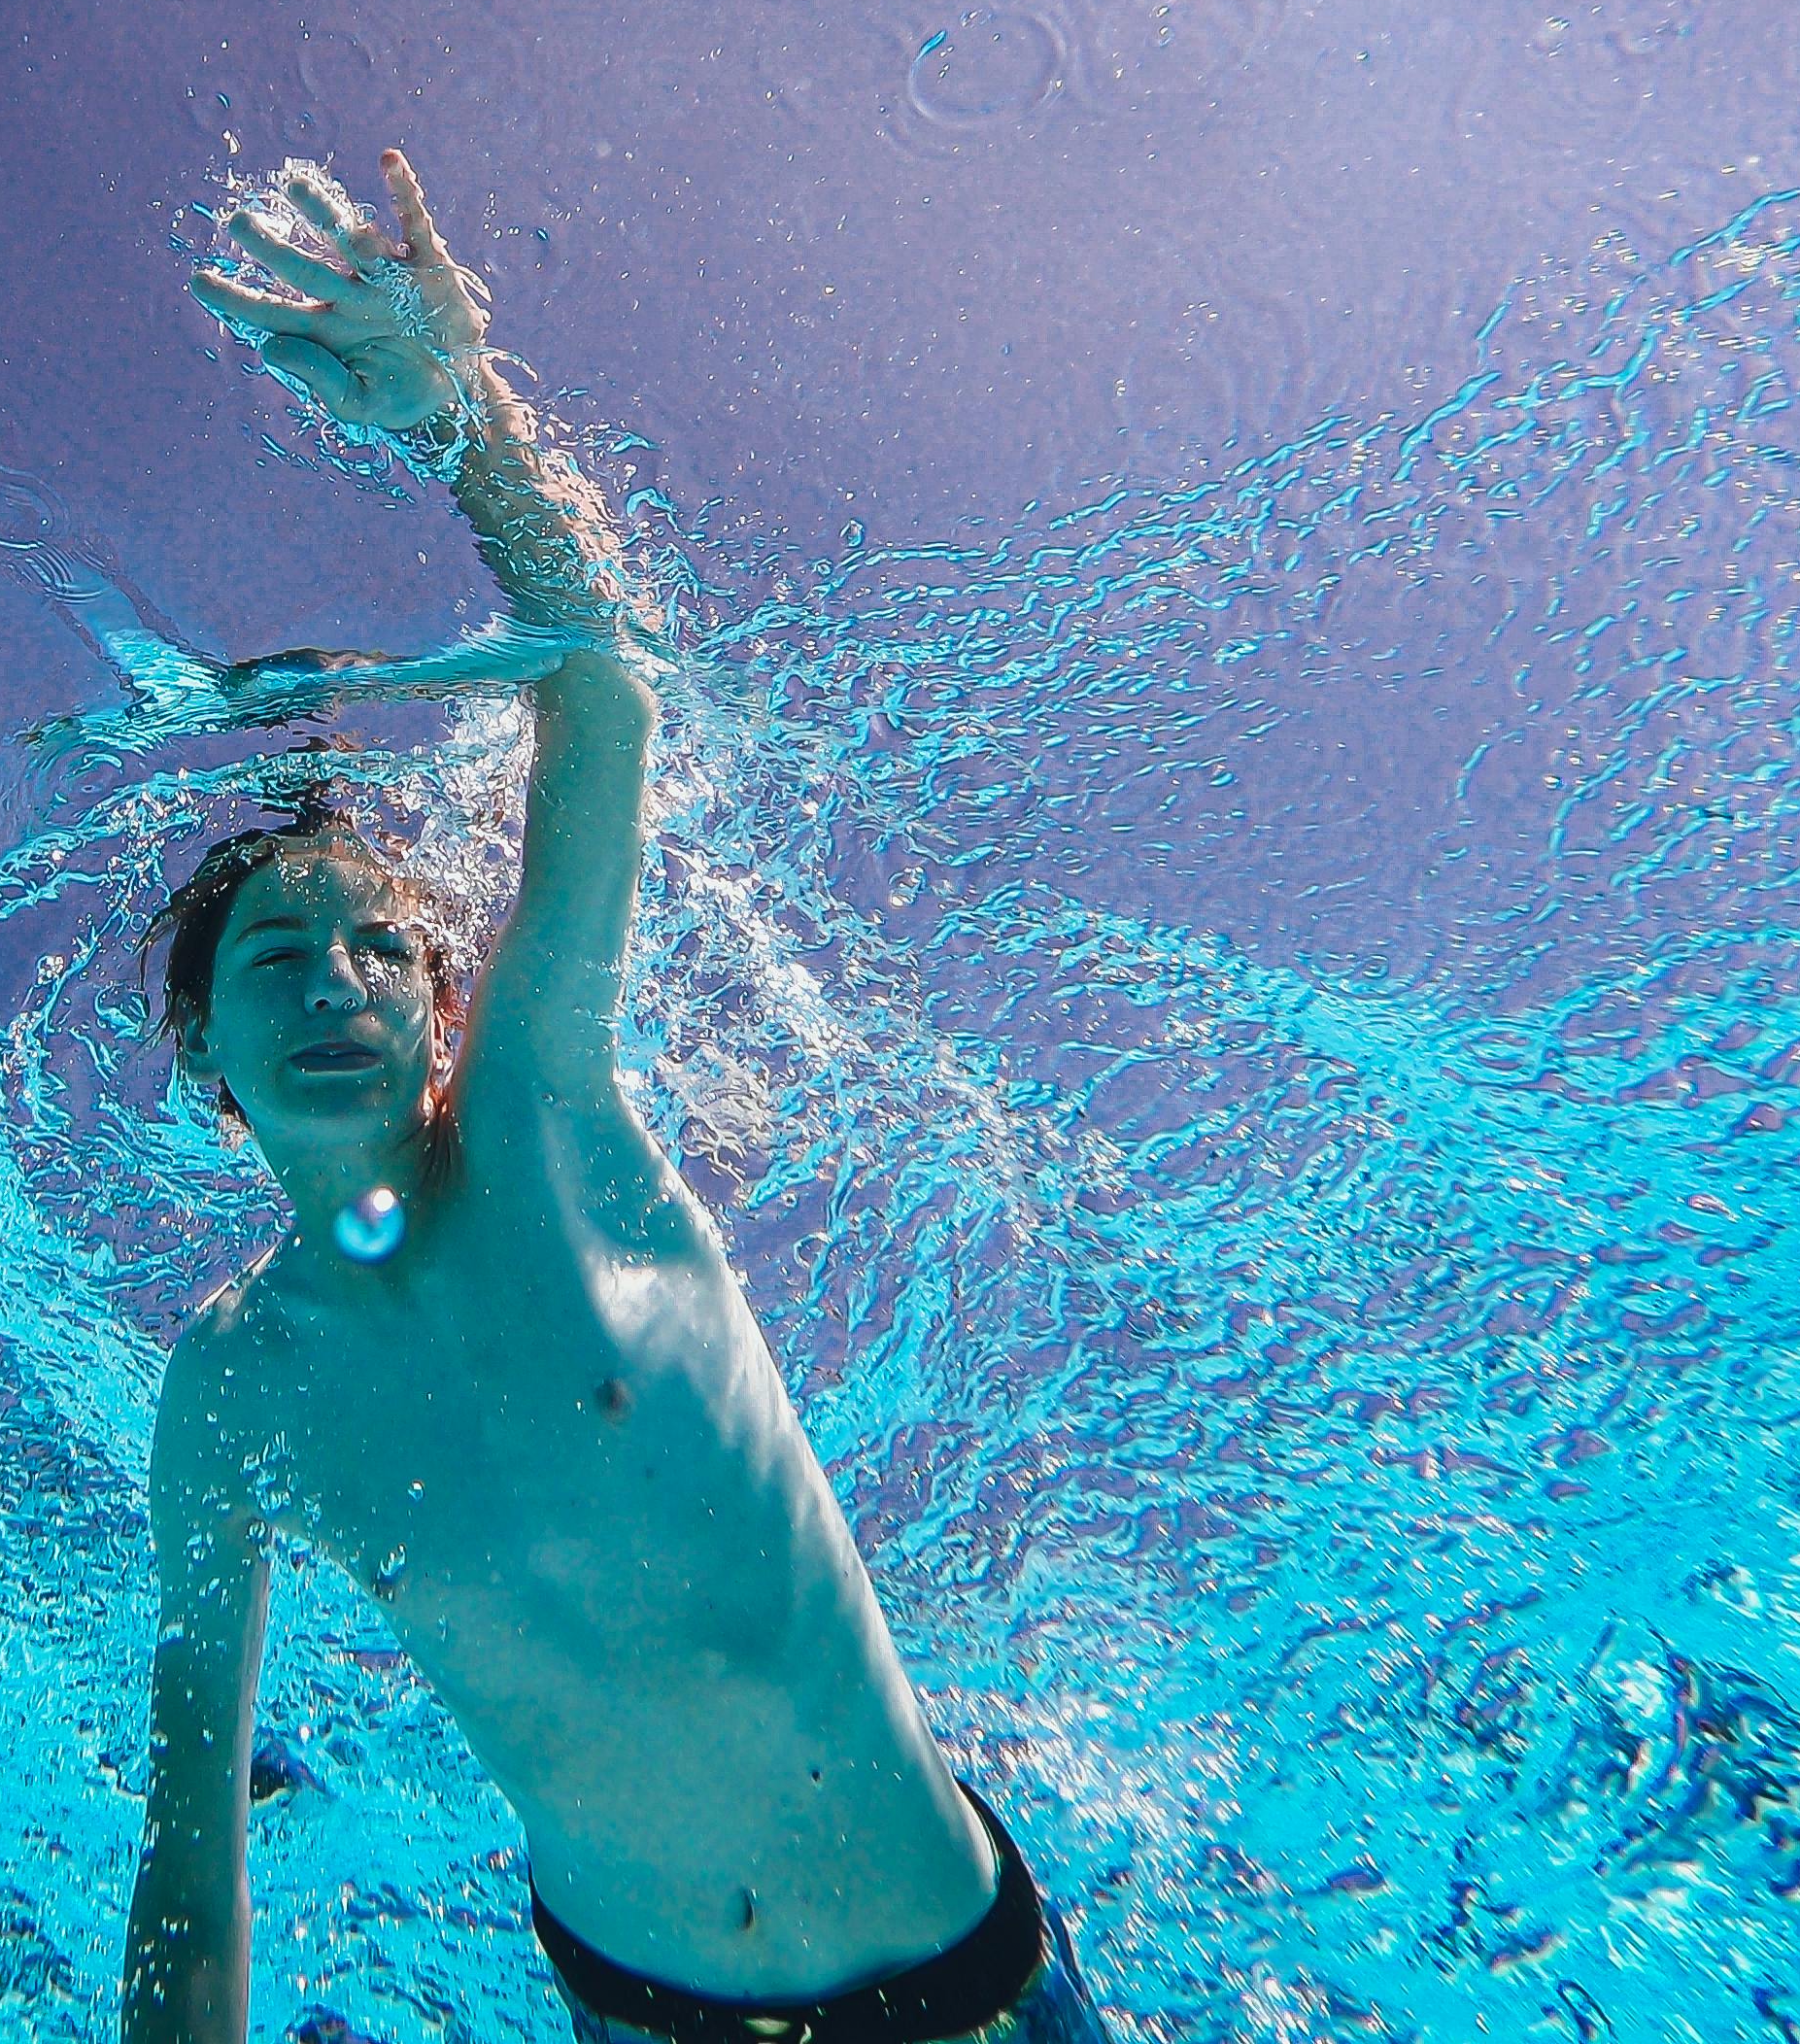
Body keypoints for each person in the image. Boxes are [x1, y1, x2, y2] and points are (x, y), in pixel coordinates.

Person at [124, 150, 1099, 2044]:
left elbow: (604, 696)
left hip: (963, 1986)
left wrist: (457, 417)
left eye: (374, 952)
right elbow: (186, 1834)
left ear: (444, 1007)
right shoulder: (228, 1396)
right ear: (208, 1065)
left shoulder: (545, 1147)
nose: (328, 981)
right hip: (639, 2018)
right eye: (271, 963)